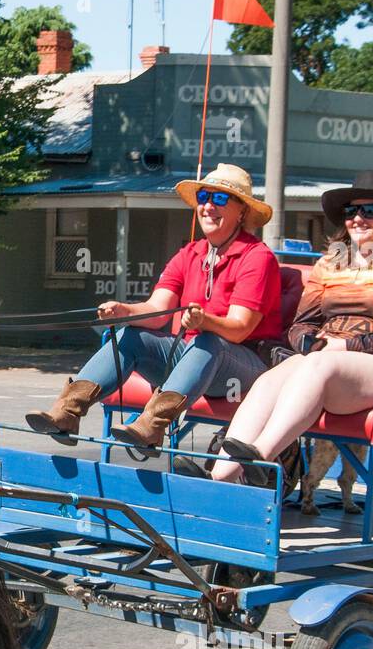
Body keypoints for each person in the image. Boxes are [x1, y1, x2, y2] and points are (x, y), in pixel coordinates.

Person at [185, 170, 373, 485]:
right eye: (351, 211)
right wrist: (308, 343)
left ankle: (260, 457)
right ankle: (218, 476)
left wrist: (344, 347)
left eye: (370, 211)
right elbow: (301, 324)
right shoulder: (329, 264)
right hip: (327, 365)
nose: (358, 218)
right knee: (273, 377)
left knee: (318, 364)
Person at [25, 163, 283, 452]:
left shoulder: (257, 257)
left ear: (242, 212)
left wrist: (204, 321)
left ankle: (152, 426)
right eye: (203, 198)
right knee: (131, 334)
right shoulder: (190, 253)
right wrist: (123, 311)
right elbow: (157, 308)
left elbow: (239, 330)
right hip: (191, 358)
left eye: (220, 199)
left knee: (210, 342)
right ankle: (67, 412)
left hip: (242, 368)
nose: (208, 206)